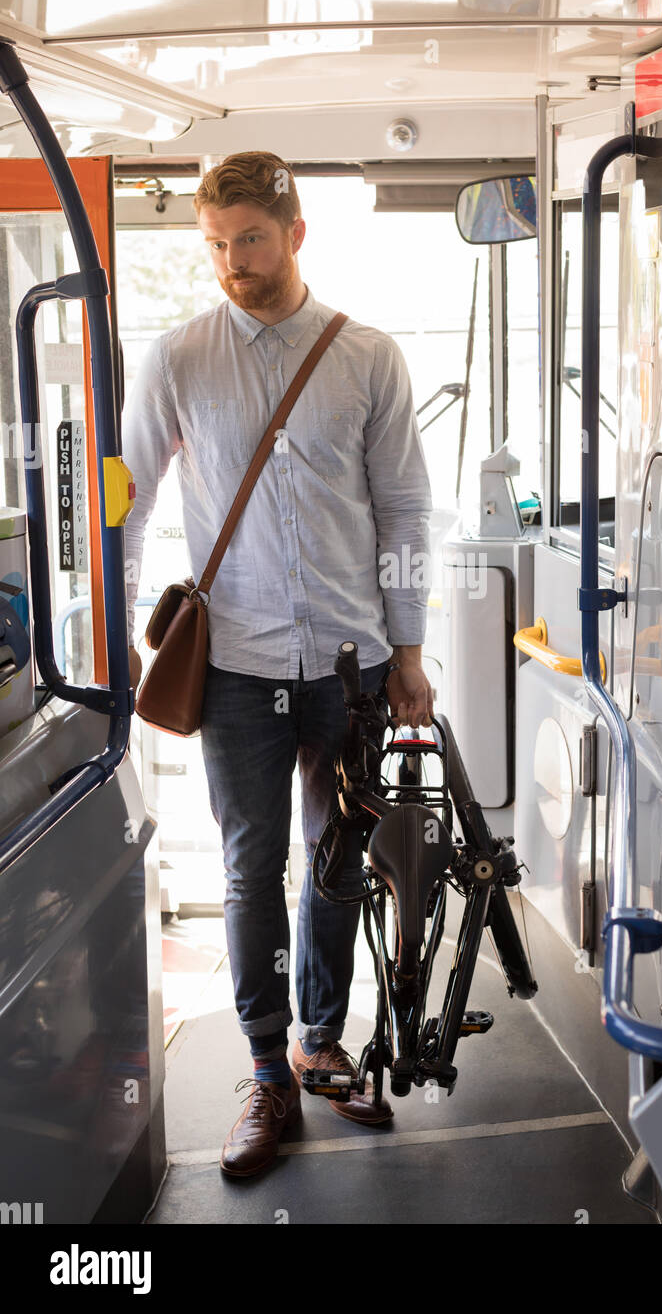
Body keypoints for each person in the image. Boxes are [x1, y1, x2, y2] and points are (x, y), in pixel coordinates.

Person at [122, 150, 434, 1177]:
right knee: (253, 866)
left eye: (248, 238)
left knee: (339, 861)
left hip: (348, 664)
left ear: (295, 233)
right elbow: (130, 507)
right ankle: (265, 1069)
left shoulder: (367, 356)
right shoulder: (176, 358)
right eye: (213, 244)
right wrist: (118, 639)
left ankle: (317, 1040)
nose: (230, 262)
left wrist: (410, 648)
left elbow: (403, 511)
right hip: (238, 666)